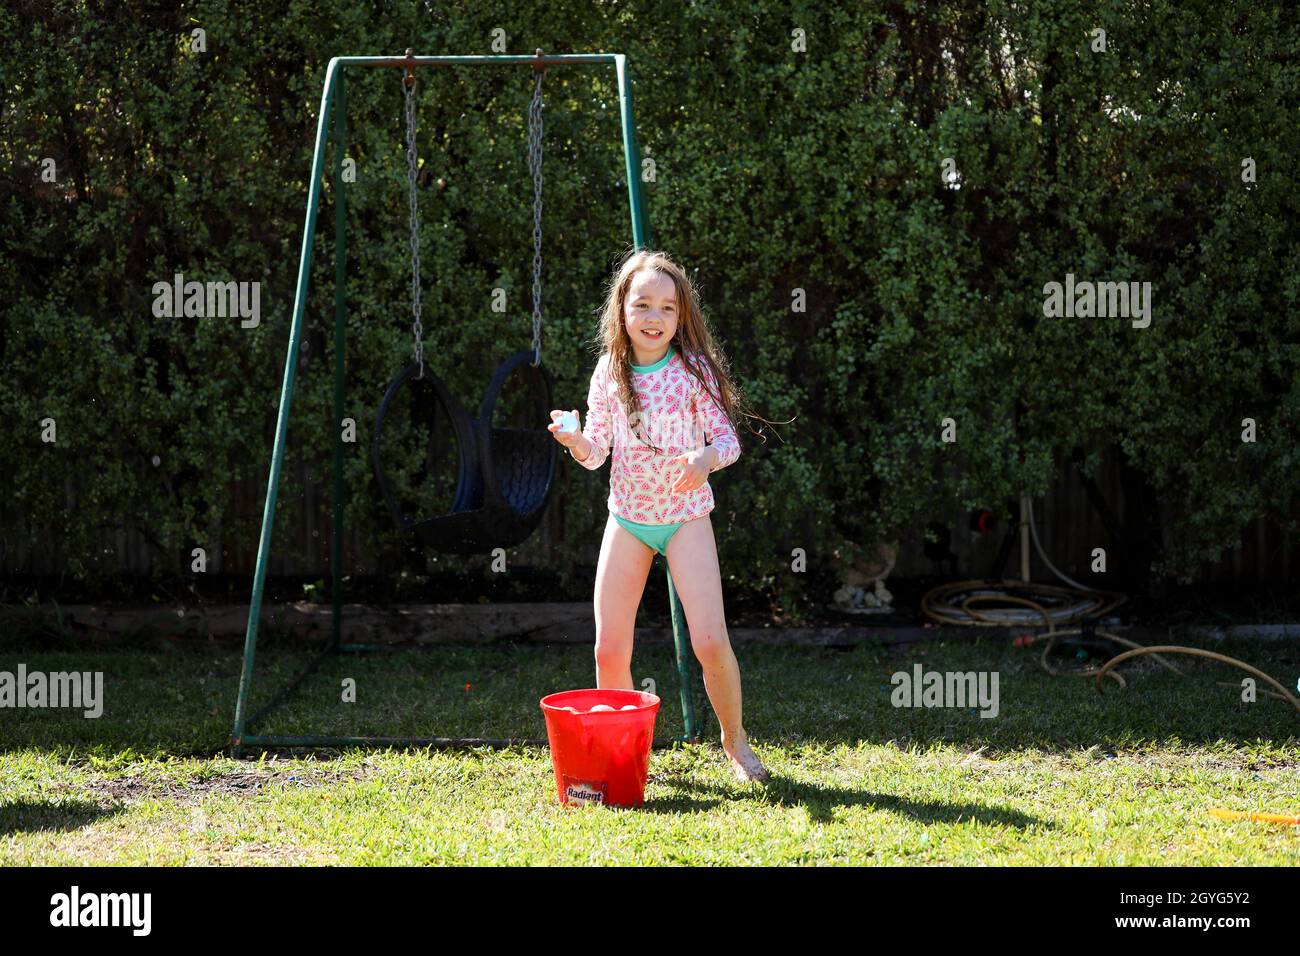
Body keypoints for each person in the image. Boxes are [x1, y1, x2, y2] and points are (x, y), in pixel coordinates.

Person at [549, 248, 772, 783]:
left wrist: (705, 459)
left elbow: (728, 441)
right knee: (609, 647)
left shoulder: (692, 371)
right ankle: (624, 753)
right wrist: (576, 438)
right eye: (643, 304)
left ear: (681, 316)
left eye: (668, 308)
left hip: (686, 518)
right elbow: (598, 450)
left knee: (710, 641)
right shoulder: (609, 371)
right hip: (627, 519)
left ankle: (734, 742)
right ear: (621, 310)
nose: (655, 317)